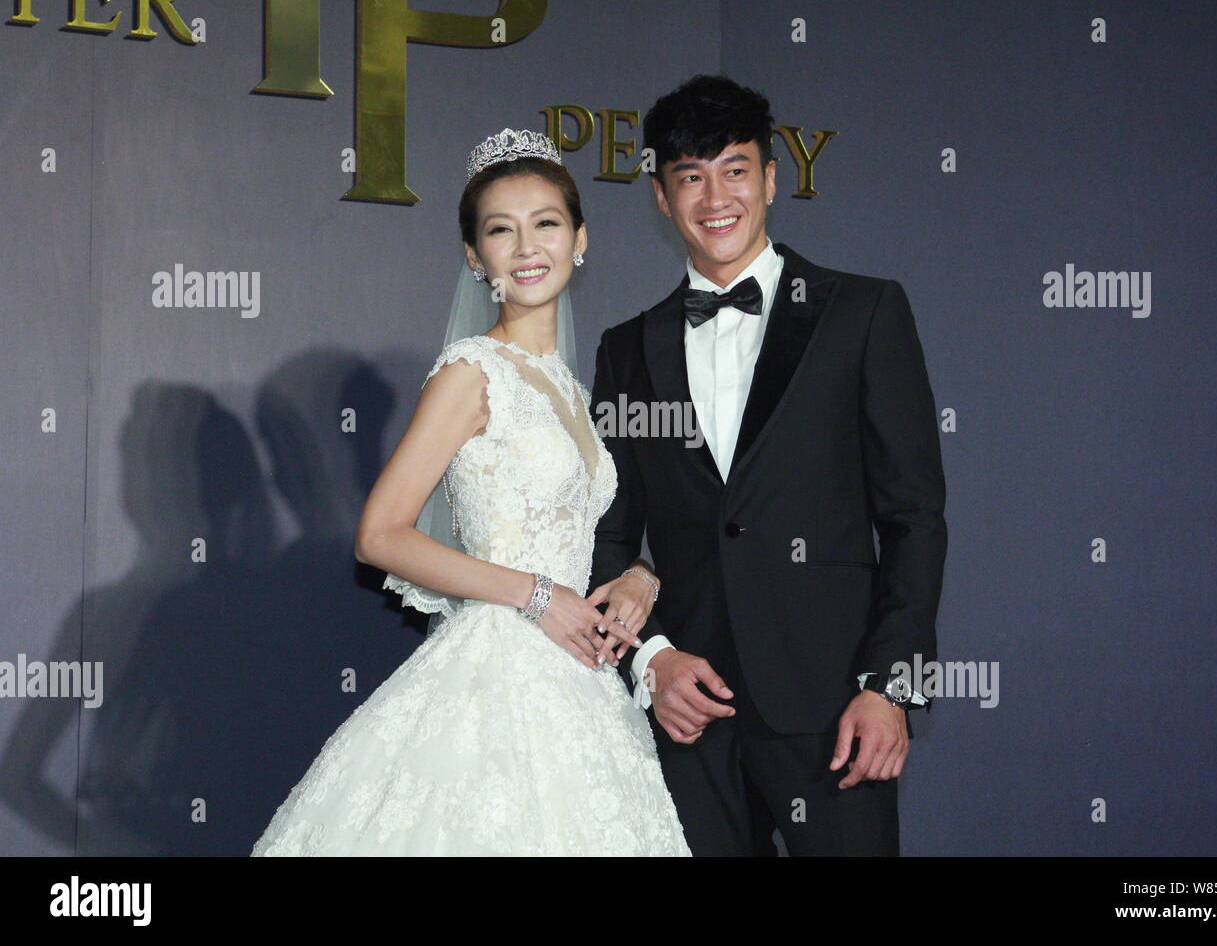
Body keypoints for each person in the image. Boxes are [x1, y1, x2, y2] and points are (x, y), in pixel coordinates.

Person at [252, 128, 690, 856]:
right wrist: (538, 595)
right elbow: (381, 534)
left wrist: (635, 577)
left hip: (577, 682)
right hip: (495, 674)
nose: (526, 248)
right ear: (473, 255)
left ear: (580, 240)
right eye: (501, 231)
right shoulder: (471, 371)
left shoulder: (572, 391)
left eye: (545, 223)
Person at [589, 76, 948, 856]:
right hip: (692, 715)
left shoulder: (863, 312)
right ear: (659, 195)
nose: (714, 196)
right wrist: (652, 661)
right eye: (689, 175)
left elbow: (914, 519)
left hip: (837, 714)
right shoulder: (626, 349)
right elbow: (606, 537)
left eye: (735, 169)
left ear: (772, 179)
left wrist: (892, 687)